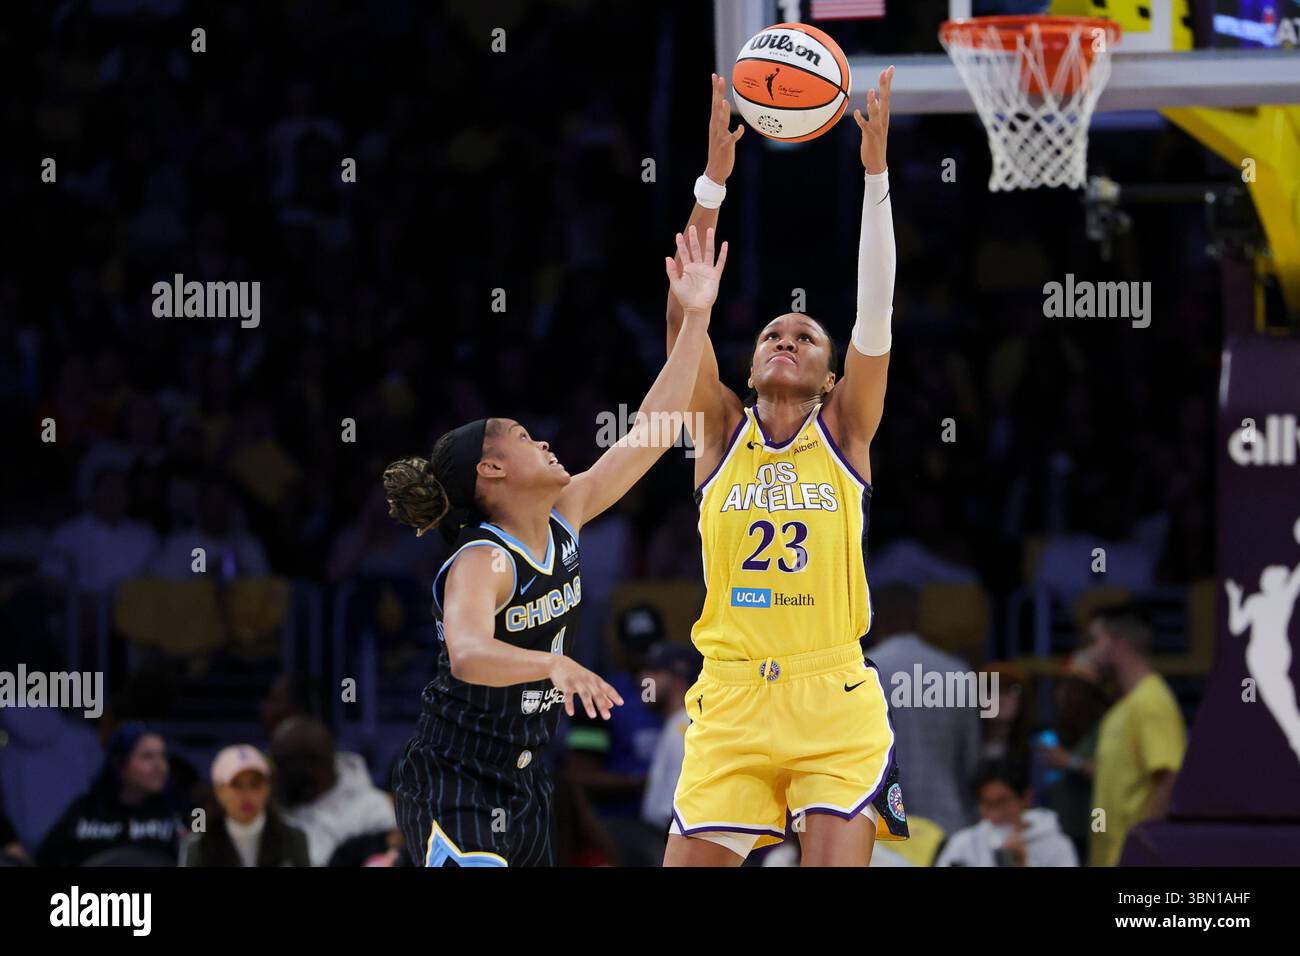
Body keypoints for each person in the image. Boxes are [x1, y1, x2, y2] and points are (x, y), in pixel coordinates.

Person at [385, 225, 729, 867]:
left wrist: (696, 318)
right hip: (452, 777)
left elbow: (654, 429)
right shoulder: (482, 560)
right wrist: (554, 664)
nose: (542, 440)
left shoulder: (565, 516)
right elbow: (466, 652)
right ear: (491, 470)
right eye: (520, 435)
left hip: (525, 779)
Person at [662, 71, 908, 867]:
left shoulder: (846, 430)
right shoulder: (718, 428)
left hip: (830, 694)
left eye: (805, 337)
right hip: (731, 697)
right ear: (750, 363)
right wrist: (712, 184)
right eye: (773, 333)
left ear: (832, 378)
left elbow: (877, 314)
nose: (786, 339)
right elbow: (682, 330)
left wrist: (875, 177)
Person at [863, 582, 981, 835]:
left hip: (885, 826)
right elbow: (972, 762)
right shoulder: (957, 672)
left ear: (874, 617)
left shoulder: (865, 672)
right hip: (948, 822)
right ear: (917, 617)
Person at [1085, 603, 1186, 867]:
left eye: (1096, 641)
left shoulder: (1152, 700)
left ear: (1119, 644)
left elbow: (1169, 779)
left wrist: (1140, 853)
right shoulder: (1120, 710)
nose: (1090, 653)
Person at [37, 723, 183, 866]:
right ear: (120, 763)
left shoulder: (178, 812)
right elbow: (45, 858)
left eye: (163, 756)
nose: (160, 766)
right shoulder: (86, 810)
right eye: (147, 757)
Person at [270, 717, 397, 866]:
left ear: (316, 765)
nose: (275, 774)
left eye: (283, 763)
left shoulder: (374, 811)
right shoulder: (269, 808)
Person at [181, 744, 310, 867]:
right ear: (219, 791)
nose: (247, 794)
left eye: (255, 784)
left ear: (268, 788)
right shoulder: (199, 846)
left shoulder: (294, 839)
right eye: (237, 785)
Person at [935, 761, 1078, 868]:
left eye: (1002, 802)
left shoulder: (1057, 846)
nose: (995, 814)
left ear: (1026, 798)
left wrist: (1023, 863)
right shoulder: (963, 843)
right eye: (987, 804)